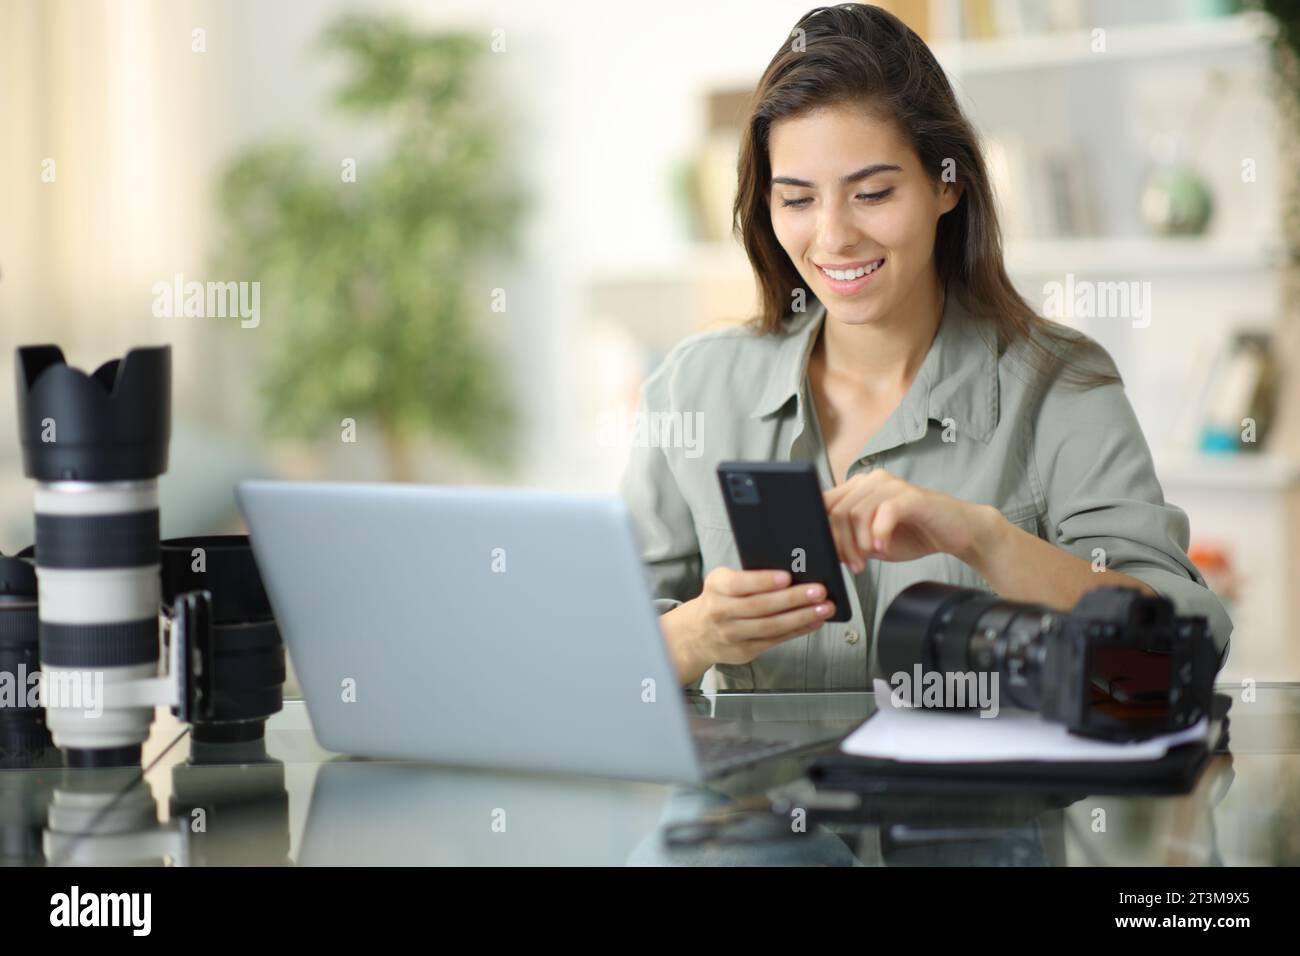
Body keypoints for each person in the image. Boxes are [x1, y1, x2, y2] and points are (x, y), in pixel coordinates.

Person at [619, 3, 1232, 691]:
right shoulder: (693, 390)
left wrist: (984, 539)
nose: (834, 237)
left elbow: (1181, 645)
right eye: (796, 200)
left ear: (948, 183)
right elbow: (598, 662)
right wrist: (699, 632)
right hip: (752, 803)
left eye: (873, 193)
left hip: (996, 802)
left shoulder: (1061, 384)